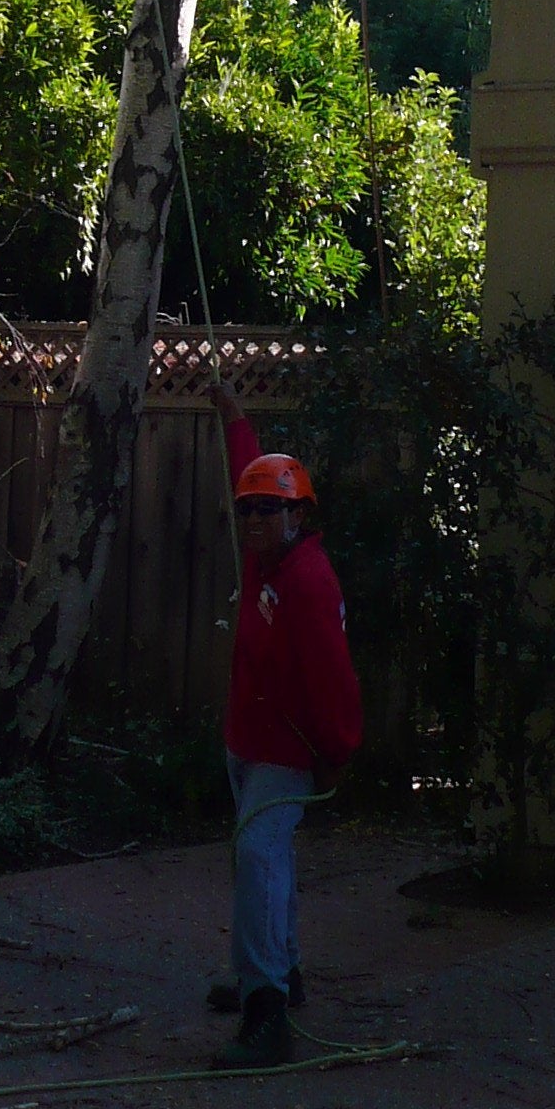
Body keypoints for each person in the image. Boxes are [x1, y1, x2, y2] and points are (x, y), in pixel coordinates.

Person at [208, 395, 362, 1066]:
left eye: (268, 509)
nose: (254, 518)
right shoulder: (264, 560)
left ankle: (266, 1013)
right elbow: (251, 467)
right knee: (269, 863)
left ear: (299, 513)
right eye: (246, 509)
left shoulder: (305, 582)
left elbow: (334, 678)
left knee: (258, 863)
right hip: (247, 740)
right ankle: (281, 972)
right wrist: (231, 414)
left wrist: (337, 752)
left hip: (285, 751)